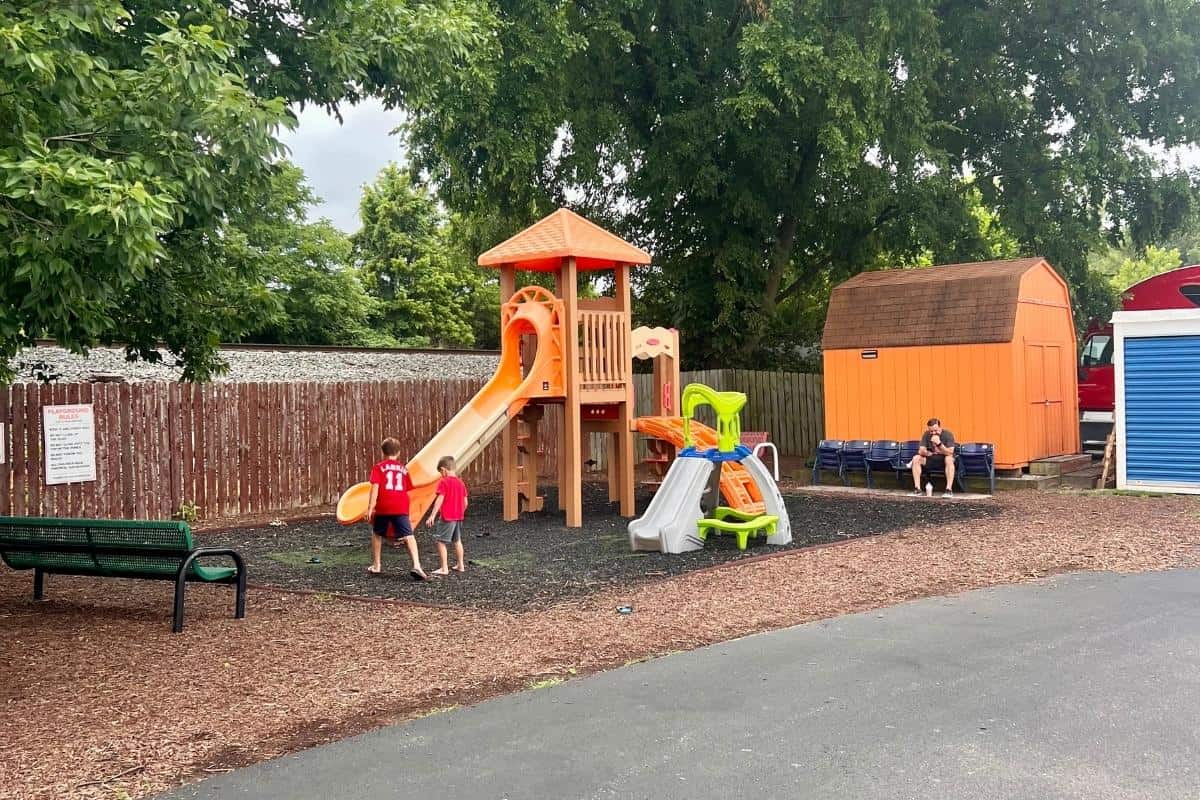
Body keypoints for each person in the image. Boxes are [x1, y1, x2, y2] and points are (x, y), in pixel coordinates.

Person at [366, 437, 427, 580]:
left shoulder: (379, 467)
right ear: (398, 453)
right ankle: (417, 565)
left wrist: (370, 507)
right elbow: (407, 489)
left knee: (377, 534)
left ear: (383, 452)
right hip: (400, 506)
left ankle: (377, 565)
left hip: (383, 506)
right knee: (408, 535)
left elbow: (375, 488)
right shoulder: (403, 469)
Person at [425, 455, 468, 575]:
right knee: (457, 540)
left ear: (444, 470)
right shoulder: (460, 483)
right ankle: (461, 565)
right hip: (458, 517)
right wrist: (460, 512)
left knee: (441, 541)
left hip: (447, 517)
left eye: (441, 472)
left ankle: (444, 568)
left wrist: (432, 515)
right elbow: (465, 502)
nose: (441, 475)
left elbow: (440, 499)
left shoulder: (444, 482)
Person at [911, 417, 957, 498]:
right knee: (916, 458)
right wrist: (925, 452)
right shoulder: (926, 434)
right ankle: (917, 489)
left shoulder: (948, 434)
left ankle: (948, 490)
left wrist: (939, 444)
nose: (933, 433)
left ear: (940, 427)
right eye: (931, 431)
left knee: (949, 459)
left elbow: (950, 452)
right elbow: (921, 450)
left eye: (935, 430)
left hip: (944, 459)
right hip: (931, 458)